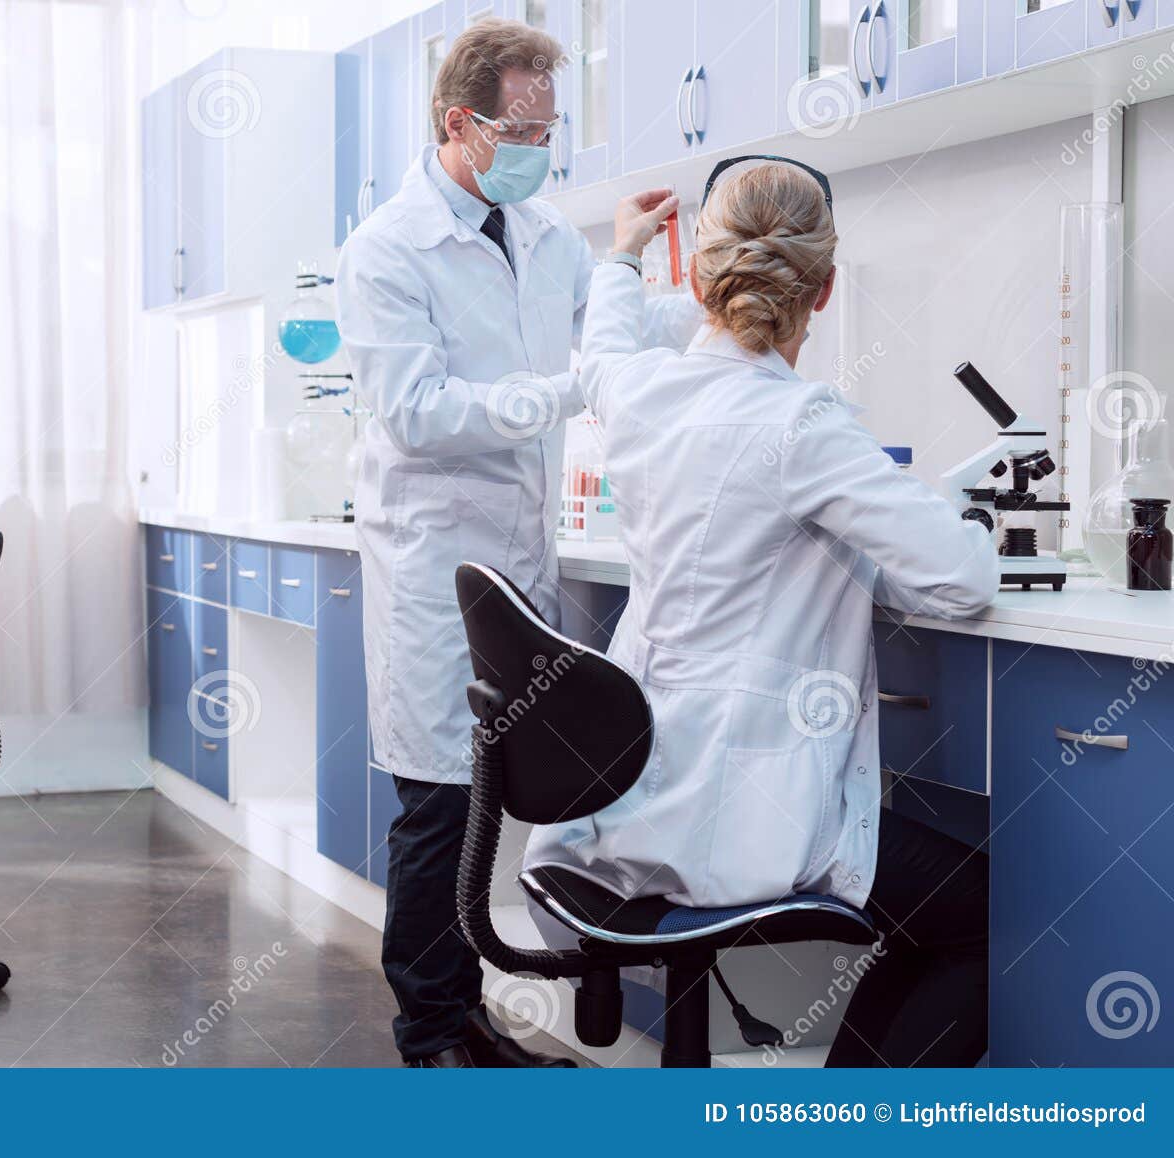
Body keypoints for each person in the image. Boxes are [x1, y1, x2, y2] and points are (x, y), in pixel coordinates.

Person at [522, 158, 999, 1067]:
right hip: (735, 813)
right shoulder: (803, 426)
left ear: (699, 282)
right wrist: (957, 520)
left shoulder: (637, 391)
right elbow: (964, 580)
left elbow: (605, 344)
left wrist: (622, 254)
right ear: (824, 290)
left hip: (627, 795)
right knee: (987, 918)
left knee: (931, 914)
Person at [336, 17, 700, 1067]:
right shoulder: (386, 249)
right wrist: (565, 392)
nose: (543, 149)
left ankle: (468, 1019)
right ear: (462, 124)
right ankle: (429, 1036)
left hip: (515, 555)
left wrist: (705, 290)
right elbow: (416, 412)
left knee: (485, 802)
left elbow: (615, 329)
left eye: (551, 129)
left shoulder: (541, 235)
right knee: (440, 806)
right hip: (433, 564)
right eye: (525, 130)